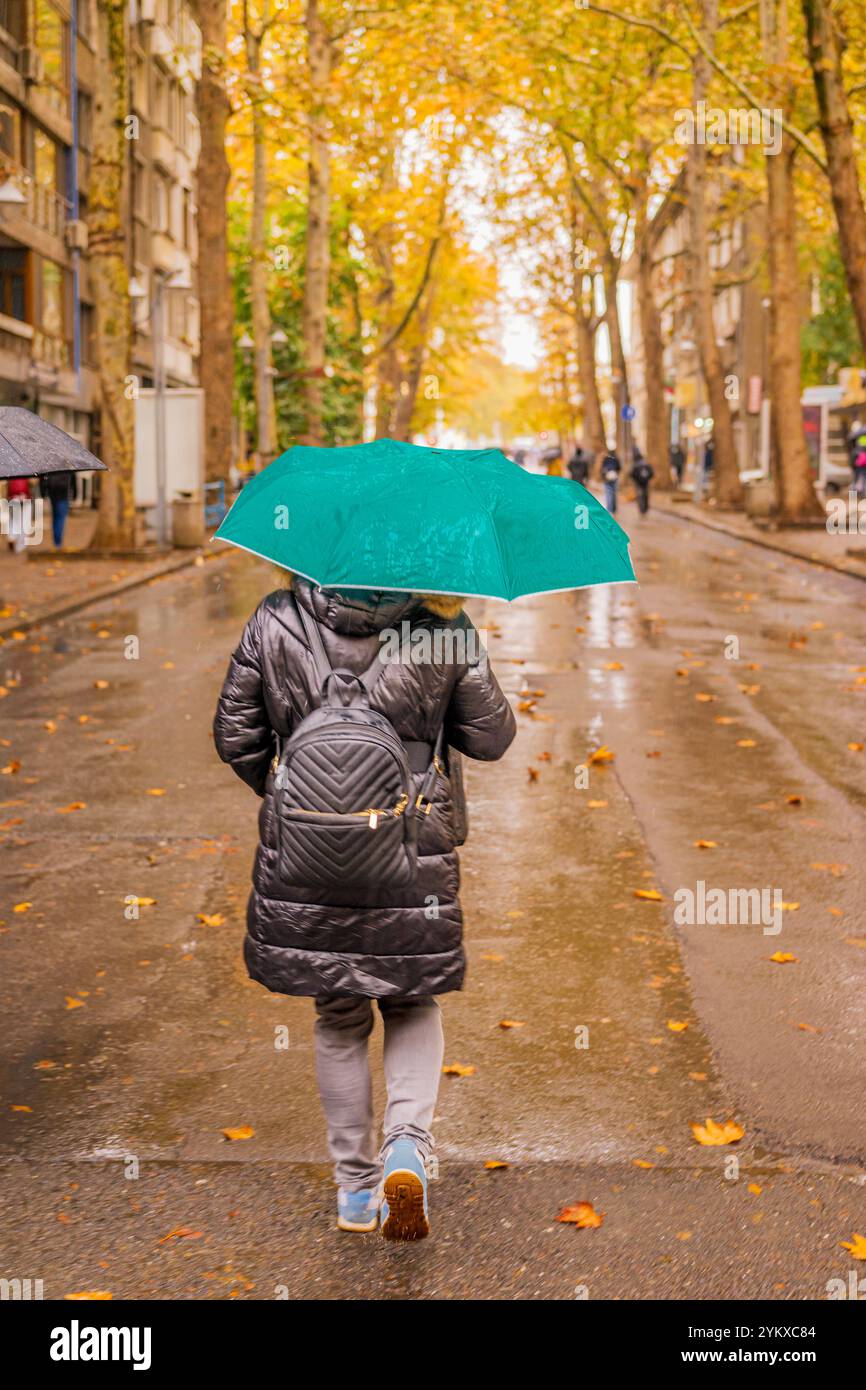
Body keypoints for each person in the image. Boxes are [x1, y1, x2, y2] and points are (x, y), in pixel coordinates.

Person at [214, 577, 516, 1240]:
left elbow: (236, 738)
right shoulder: (441, 623)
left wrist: (296, 796)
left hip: (309, 850)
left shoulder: (274, 619)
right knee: (410, 997)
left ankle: (354, 1190)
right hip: (412, 846)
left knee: (338, 1010)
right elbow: (492, 737)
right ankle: (406, 1147)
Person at [42, 470, 74, 548]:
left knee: (56, 517)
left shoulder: (52, 467)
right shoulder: (67, 468)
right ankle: (57, 542)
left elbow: (44, 480)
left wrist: (44, 492)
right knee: (60, 518)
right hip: (62, 495)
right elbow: (73, 481)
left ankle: (57, 541)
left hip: (54, 494)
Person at [6, 475, 31, 553]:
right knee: (22, 522)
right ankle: (18, 543)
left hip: (14, 499)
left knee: (15, 520)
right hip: (23, 499)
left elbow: (9, 491)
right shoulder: (26, 474)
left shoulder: (11, 475)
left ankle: (12, 536)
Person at [631, 450, 654, 515]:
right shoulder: (646, 464)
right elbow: (651, 473)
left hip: (638, 483)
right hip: (646, 482)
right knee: (646, 494)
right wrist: (648, 478)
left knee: (640, 495)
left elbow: (632, 474)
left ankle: (642, 509)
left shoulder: (635, 465)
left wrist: (635, 480)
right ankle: (645, 508)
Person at [600, 445, 621, 513]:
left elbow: (602, 469)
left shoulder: (605, 459)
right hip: (615, 478)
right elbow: (619, 468)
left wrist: (603, 476)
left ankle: (609, 509)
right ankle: (614, 508)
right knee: (614, 493)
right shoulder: (616, 459)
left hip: (607, 478)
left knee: (608, 493)